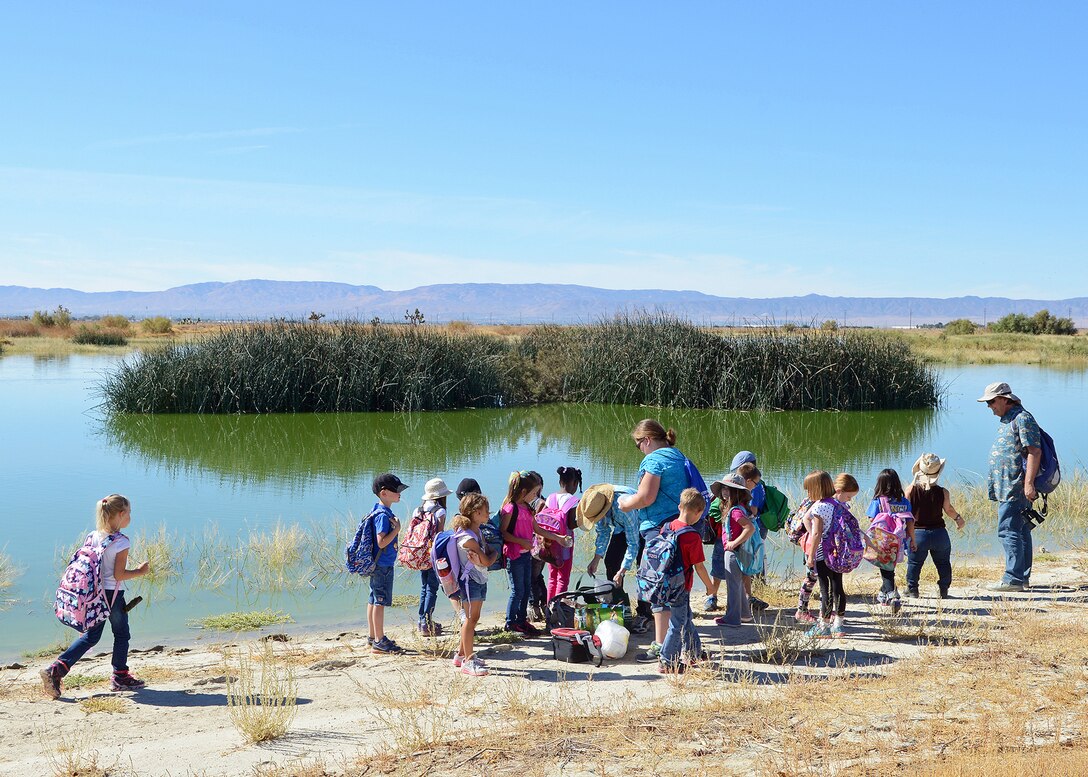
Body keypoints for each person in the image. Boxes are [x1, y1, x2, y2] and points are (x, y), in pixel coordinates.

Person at [41, 494, 150, 699]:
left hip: (92, 594)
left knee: (91, 636)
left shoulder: (92, 536)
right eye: (129, 513)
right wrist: (139, 571)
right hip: (111, 596)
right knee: (121, 634)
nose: (130, 517)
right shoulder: (122, 542)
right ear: (120, 514)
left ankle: (57, 670)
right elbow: (118, 575)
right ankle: (119, 677)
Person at [619, 419, 693, 663]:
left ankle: (661, 647)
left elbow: (646, 497)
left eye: (638, 444)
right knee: (678, 589)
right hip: (679, 527)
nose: (639, 449)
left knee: (658, 588)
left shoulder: (653, 460)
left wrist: (625, 504)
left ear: (647, 440)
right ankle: (687, 647)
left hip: (659, 532)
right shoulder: (677, 455)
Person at [979, 382, 1042, 592]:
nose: (989, 406)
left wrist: (1029, 484)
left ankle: (1013, 579)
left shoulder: (1022, 418)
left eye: (991, 401)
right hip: (1008, 486)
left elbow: (1034, 451)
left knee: (1008, 530)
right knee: (1020, 529)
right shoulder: (1009, 418)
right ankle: (1021, 577)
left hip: (1015, 487)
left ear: (1005, 399)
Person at [658, 488, 712, 674]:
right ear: (699, 512)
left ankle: (693, 652)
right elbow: (700, 567)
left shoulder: (667, 527)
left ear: (679, 506)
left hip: (665, 582)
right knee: (677, 623)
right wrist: (710, 587)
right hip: (681, 585)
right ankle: (666, 661)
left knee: (686, 617)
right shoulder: (692, 536)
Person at [905, 453, 966, 599]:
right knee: (943, 562)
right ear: (938, 472)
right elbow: (949, 509)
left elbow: (905, 512)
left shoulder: (910, 490)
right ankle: (944, 589)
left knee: (914, 563)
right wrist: (958, 519)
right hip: (939, 533)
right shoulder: (943, 492)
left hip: (918, 534)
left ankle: (912, 590)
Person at [450, 493, 498, 677]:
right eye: (486, 510)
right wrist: (491, 557)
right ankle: (468, 661)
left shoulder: (477, 531)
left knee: (473, 618)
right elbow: (488, 559)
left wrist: (489, 557)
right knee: (470, 620)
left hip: (478, 579)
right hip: (470, 582)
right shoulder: (468, 538)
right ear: (476, 512)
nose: (488, 513)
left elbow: (489, 554)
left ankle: (461, 655)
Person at [804, 471, 848, 639]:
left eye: (809, 489)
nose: (808, 493)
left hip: (824, 553)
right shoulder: (838, 504)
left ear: (817, 488)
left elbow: (816, 534)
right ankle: (839, 625)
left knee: (825, 588)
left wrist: (811, 556)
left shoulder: (819, 507)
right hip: (839, 552)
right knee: (838, 587)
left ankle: (824, 626)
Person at [865, 469, 915, 613]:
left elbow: (872, 520)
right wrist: (913, 540)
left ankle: (893, 597)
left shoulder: (878, 502)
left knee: (886, 569)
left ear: (880, 484)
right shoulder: (904, 502)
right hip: (898, 541)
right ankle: (884, 595)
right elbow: (910, 522)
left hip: (882, 541)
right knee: (889, 568)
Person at [709, 473, 755, 628]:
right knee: (738, 584)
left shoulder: (735, 511)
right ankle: (745, 614)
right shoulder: (740, 508)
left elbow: (749, 528)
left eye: (729, 489)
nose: (725, 492)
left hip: (733, 552)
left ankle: (732, 618)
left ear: (738, 492)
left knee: (733, 586)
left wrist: (733, 543)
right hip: (739, 552)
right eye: (723, 488)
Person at [369, 473, 408, 654]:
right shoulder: (383, 515)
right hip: (382, 565)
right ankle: (379, 640)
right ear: (384, 493)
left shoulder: (378, 510)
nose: (400, 493)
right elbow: (381, 542)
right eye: (396, 490)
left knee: (373, 599)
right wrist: (397, 529)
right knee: (380, 602)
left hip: (379, 564)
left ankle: (373, 636)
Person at [413, 478, 452, 636]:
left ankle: (421, 620)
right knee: (432, 588)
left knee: (424, 587)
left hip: (420, 553)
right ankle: (427, 622)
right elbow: (439, 537)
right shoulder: (440, 511)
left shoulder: (418, 510)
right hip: (433, 554)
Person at [581, 483, 642, 584]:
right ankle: (615, 592)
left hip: (643, 524)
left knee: (642, 564)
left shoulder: (624, 508)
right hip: (621, 526)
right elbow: (603, 532)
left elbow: (633, 544)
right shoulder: (596, 506)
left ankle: (644, 593)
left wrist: (622, 572)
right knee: (611, 561)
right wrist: (596, 559)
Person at [544, 466, 581, 602]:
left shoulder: (550, 497)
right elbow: (571, 524)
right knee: (563, 579)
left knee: (552, 578)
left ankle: (549, 607)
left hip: (549, 542)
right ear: (575, 483)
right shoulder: (573, 500)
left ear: (560, 481)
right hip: (564, 544)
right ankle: (557, 608)